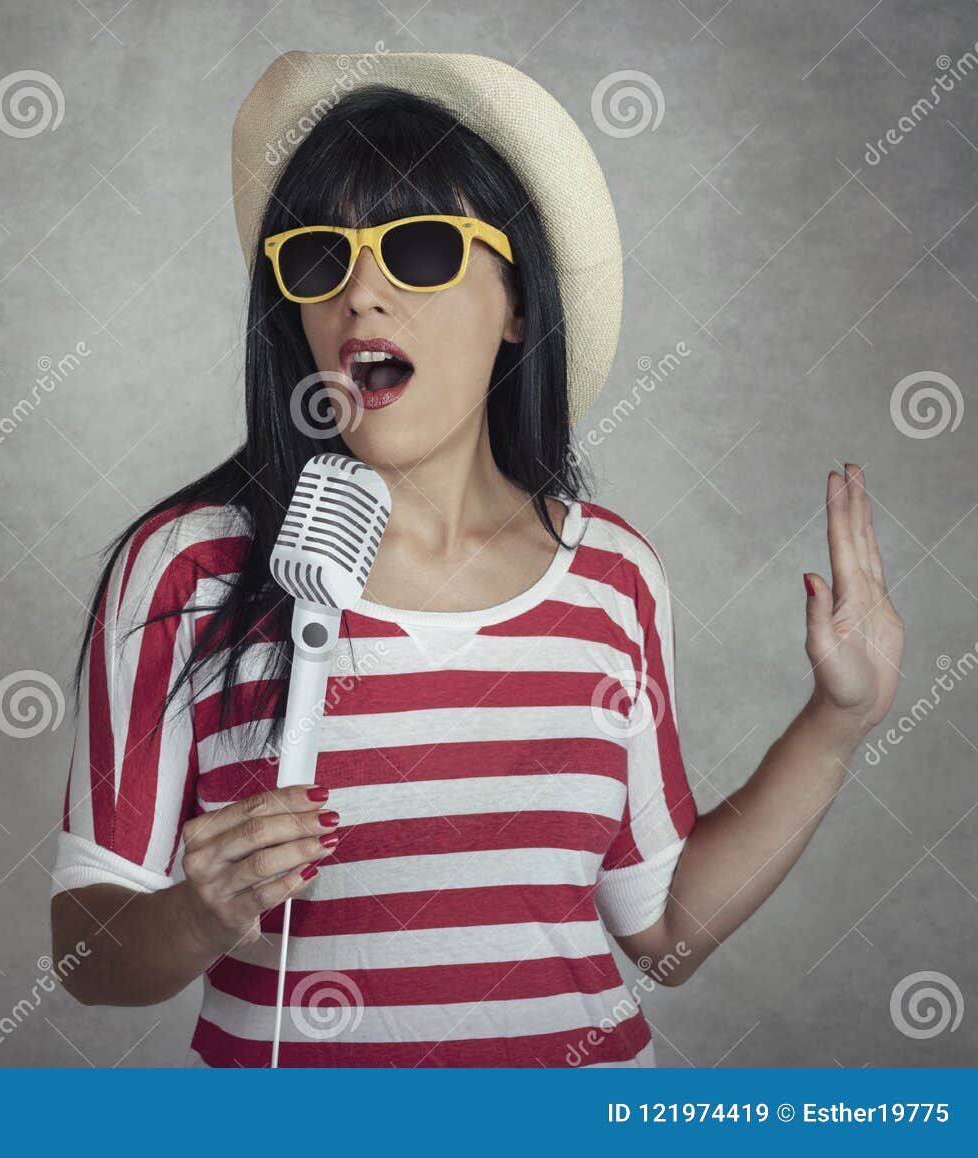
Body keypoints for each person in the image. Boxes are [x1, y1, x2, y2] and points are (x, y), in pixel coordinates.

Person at [47, 52, 903, 1066]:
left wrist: (838, 722)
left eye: (417, 249)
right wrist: (198, 912)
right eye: (321, 261)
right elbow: (83, 956)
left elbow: (664, 934)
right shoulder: (188, 570)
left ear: (518, 307)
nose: (361, 296)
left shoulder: (612, 575)